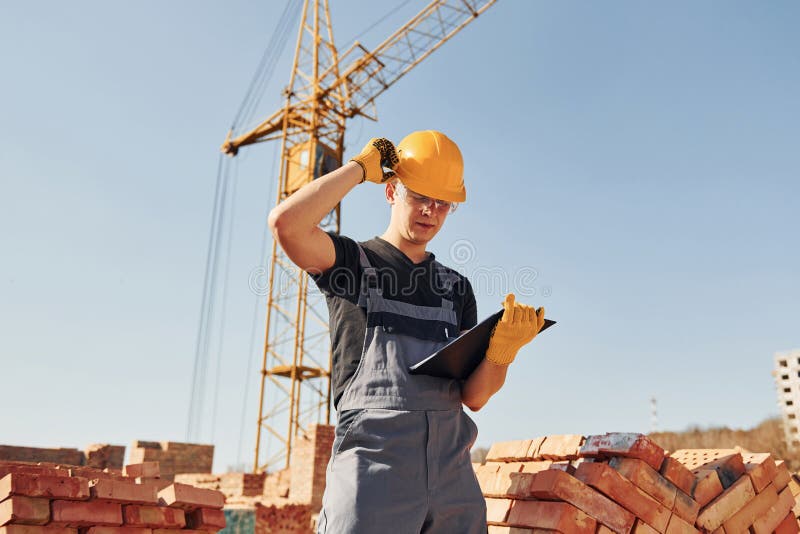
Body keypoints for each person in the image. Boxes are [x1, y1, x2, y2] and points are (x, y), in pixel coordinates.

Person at [267, 131, 546, 534]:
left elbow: (474, 397)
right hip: (373, 471)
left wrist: (501, 354)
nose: (431, 212)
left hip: (452, 475)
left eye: (443, 203)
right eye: (419, 197)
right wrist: (358, 170)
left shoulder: (456, 288)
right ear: (392, 191)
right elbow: (286, 225)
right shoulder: (351, 264)